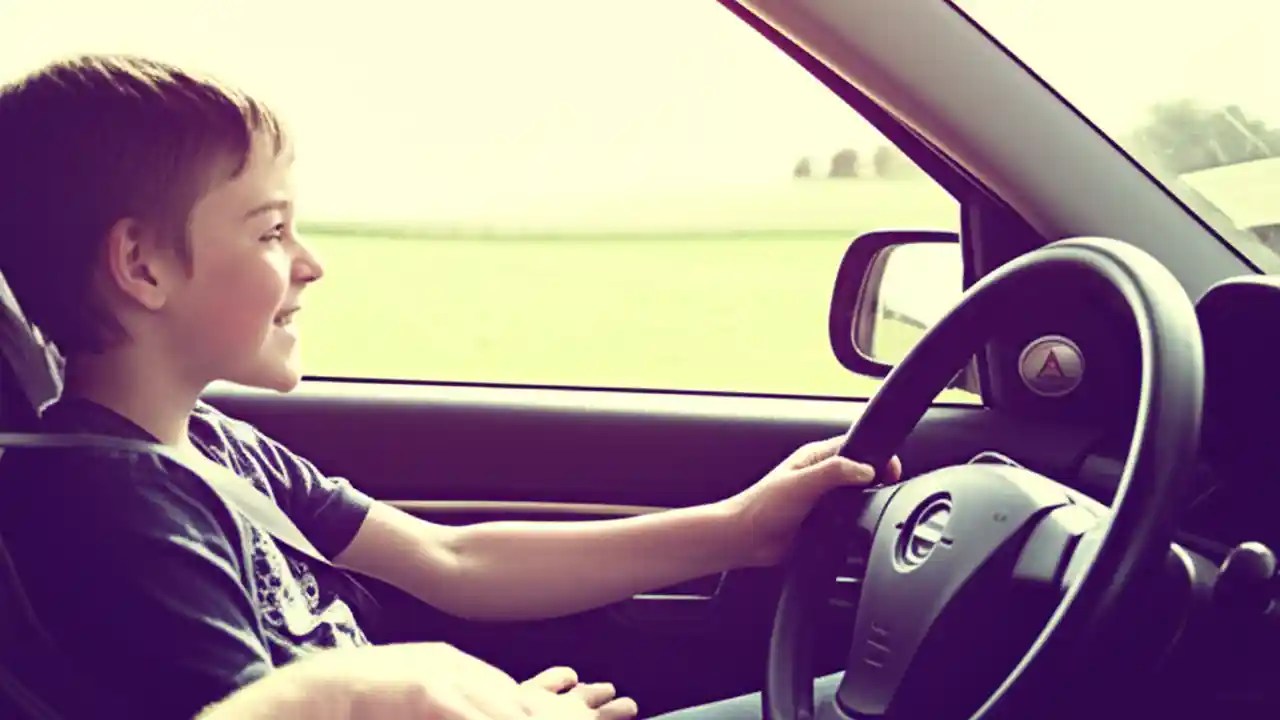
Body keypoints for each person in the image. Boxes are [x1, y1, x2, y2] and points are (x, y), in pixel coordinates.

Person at [0, 54, 899, 719]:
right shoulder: (111, 507)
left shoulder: (211, 445)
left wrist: (738, 528)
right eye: (272, 232)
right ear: (143, 265)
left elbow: (451, 562)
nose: (311, 264)